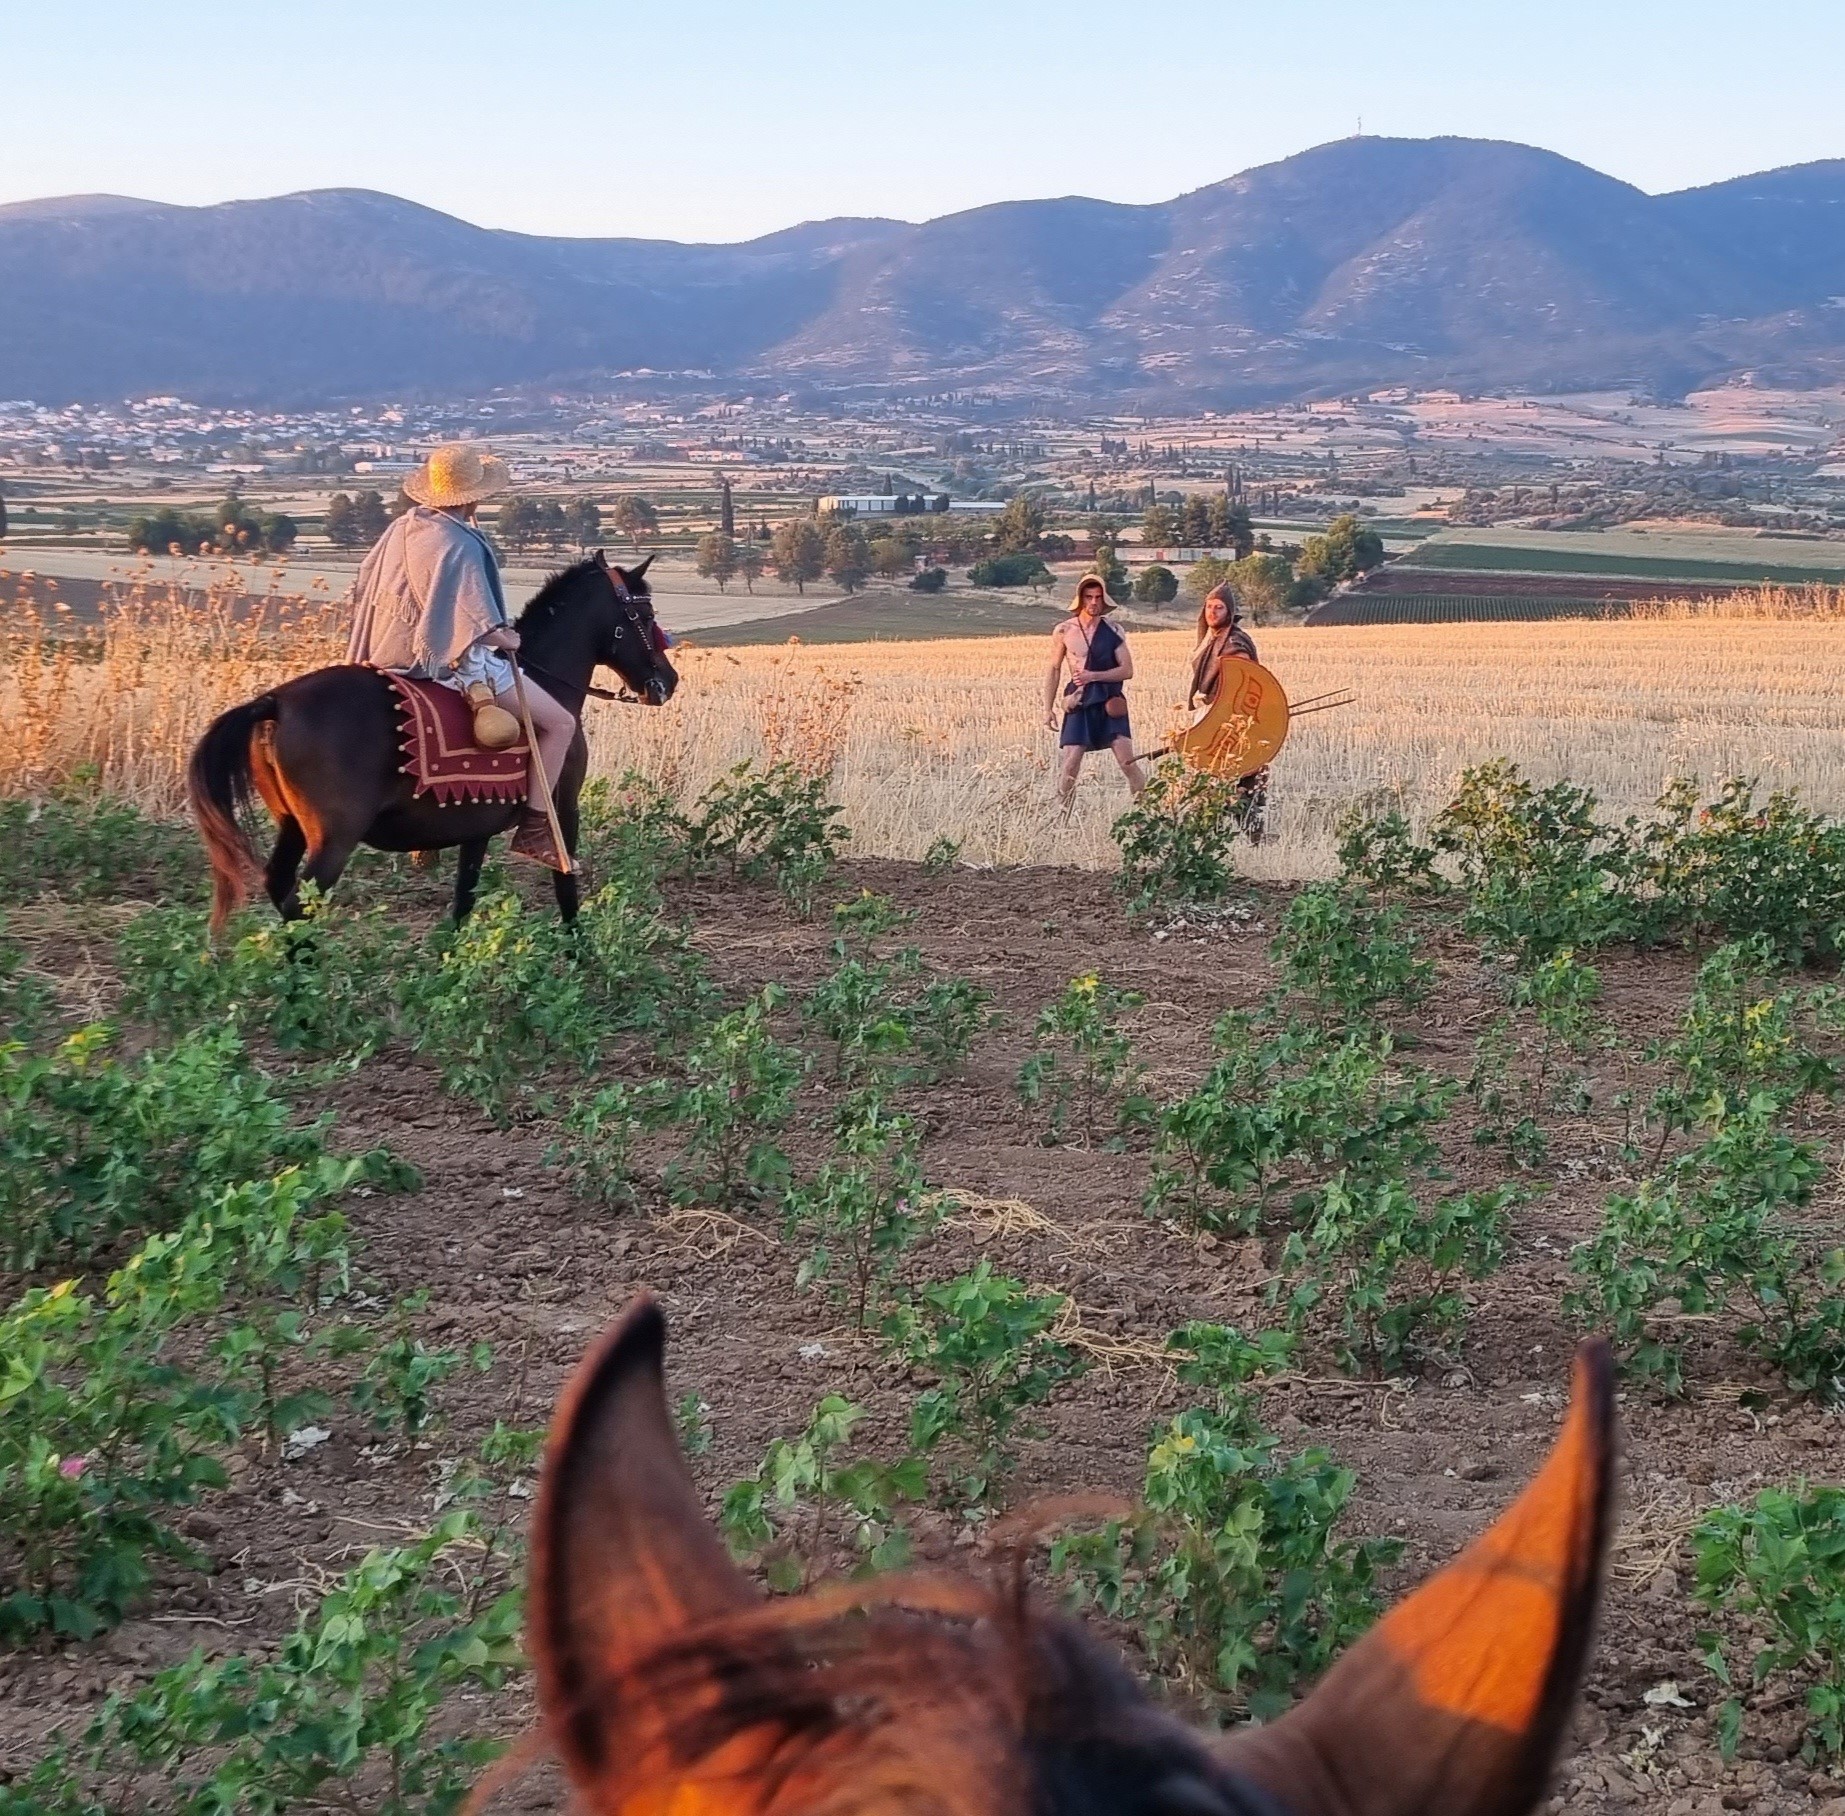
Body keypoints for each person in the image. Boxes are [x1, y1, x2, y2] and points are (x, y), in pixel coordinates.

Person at [346, 443, 575, 870]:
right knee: (561, 724)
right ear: (473, 497)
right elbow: (475, 623)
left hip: (389, 652)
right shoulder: (461, 544)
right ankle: (534, 829)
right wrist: (506, 638)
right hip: (447, 664)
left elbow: (372, 582)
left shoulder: (404, 528)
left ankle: (432, 827)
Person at [1044, 573, 1144, 810]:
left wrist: (1093, 676)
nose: (1093, 602)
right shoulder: (1064, 630)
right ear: (1080, 599)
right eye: (1089, 597)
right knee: (1070, 765)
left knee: (1128, 762)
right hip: (1079, 700)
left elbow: (1127, 670)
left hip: (1110, 700)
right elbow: (1054, 669)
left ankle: (1146, 815)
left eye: (1098, 597)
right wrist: (1048, 708)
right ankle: (1062, 818)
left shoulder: (1114, 630)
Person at [1185, 580, 1269, 844]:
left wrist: (1224, 711)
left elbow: (1243, 679)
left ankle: (1249, 835)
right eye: (1209, 606)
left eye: (1219, 607)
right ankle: (1210, 834)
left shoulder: (1234, 641)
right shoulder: (1210, 638)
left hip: (1231, 718)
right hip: (1211, 713)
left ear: (1229, 612)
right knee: (1211, 775)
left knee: (1238, 775)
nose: (1212, 612)